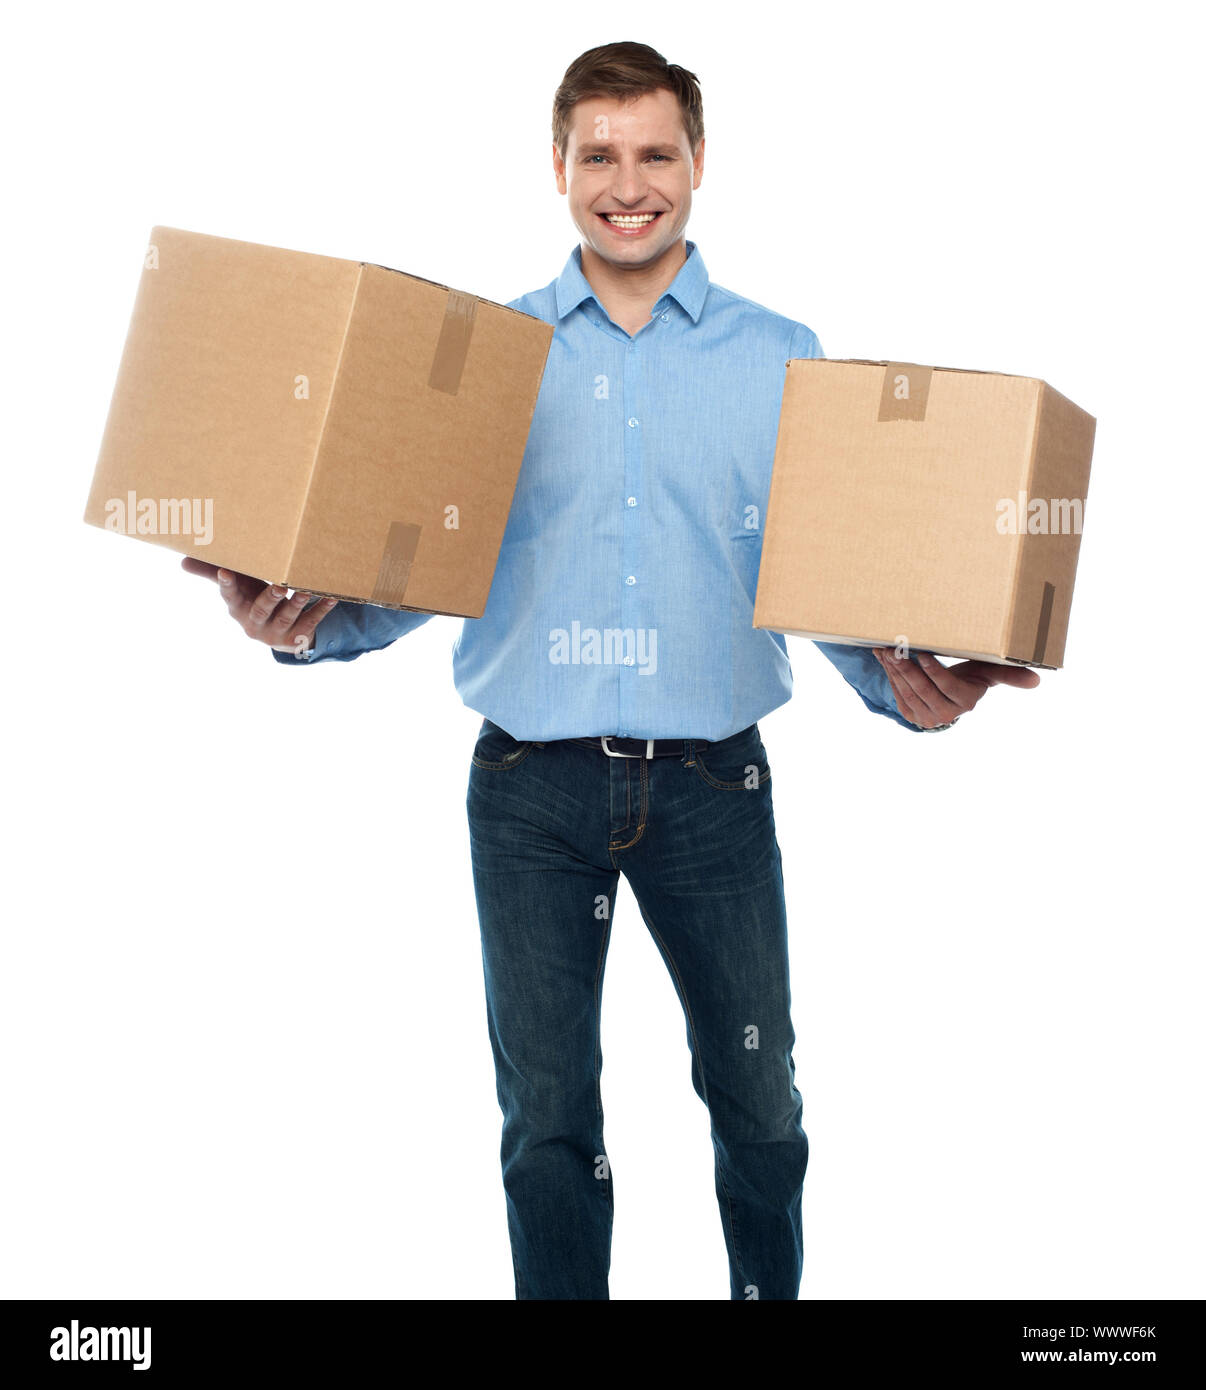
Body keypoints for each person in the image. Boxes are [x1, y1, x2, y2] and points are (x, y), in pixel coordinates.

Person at [183, 41, 1039, 1299]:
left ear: (699, 164)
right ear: (558, 165)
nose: (627, 184)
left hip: (714, 794)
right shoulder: (484, 358)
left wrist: (907, 690)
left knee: (759, 1103)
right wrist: (302, 628)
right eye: (600, 154)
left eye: (655, 154)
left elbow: (832, 581)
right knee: (547, 1128)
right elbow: (420, 567)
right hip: (529, 795)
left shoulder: (784, 357)